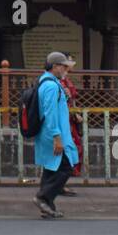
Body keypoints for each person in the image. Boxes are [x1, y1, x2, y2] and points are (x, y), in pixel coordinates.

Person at [34, 51, 79, 218]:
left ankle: (48, 206)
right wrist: (57, 137)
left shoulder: (46, 82)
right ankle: (43, 197)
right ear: (55, 67)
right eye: (64, 66)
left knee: (51, 168)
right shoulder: (51, 86)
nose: (66, 70)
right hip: (54, 134)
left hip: (52, 133)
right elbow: (50, 112)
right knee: (66, 167)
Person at [58, 55, 84, 189]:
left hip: (70, 119)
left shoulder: (66, 80)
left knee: (74, 149)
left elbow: (71, 100)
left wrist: (75, 112)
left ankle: (61, 182)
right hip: (63, 120)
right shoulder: (57, 82)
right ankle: (58, 184)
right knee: (66, 151)